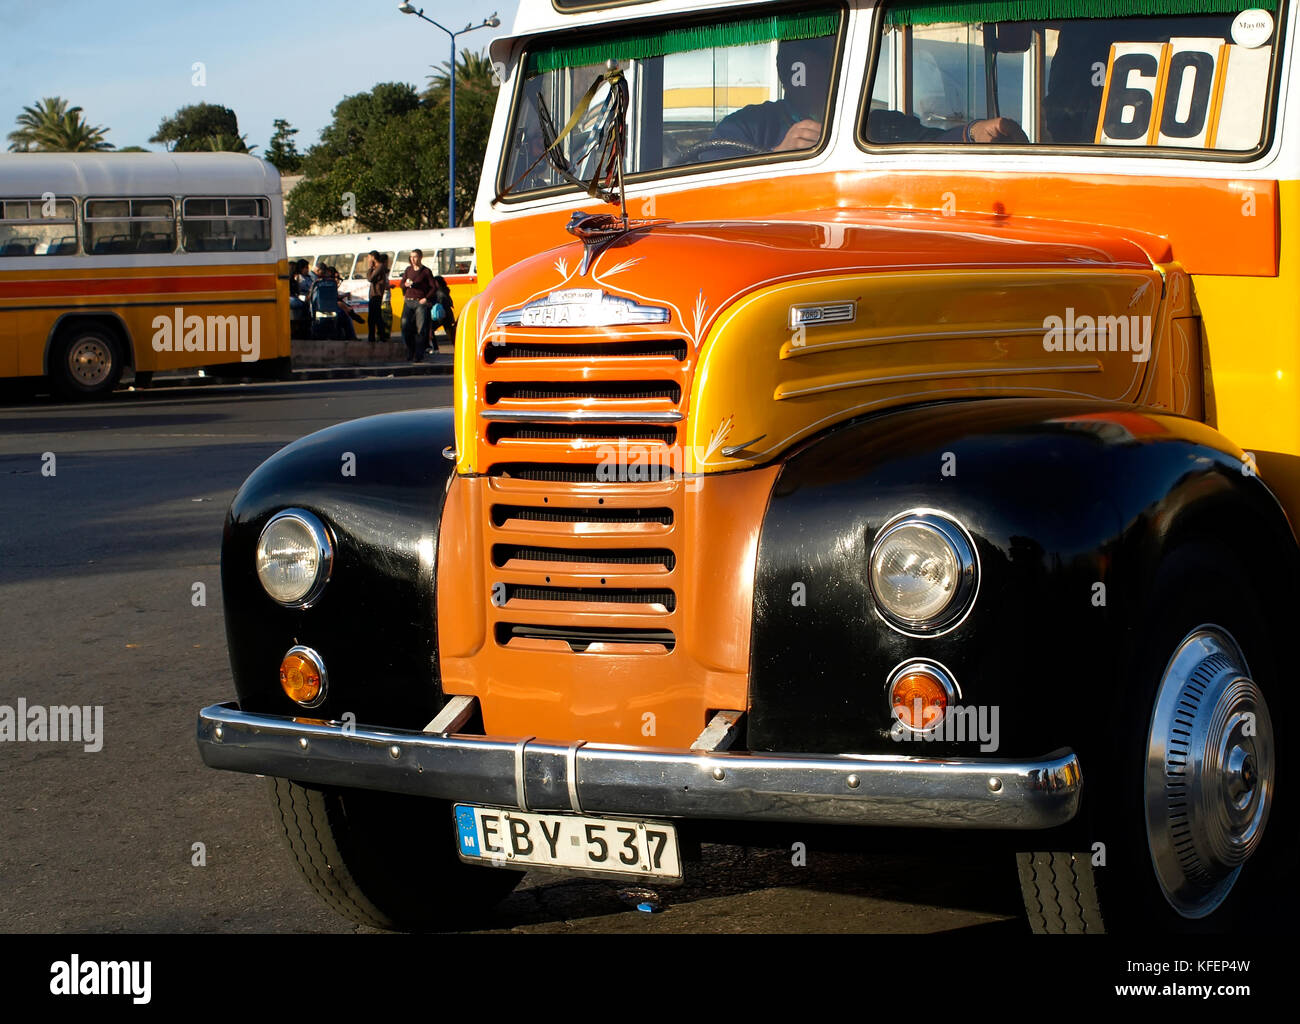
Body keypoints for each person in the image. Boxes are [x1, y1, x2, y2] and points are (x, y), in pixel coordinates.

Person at [703, 35, 1026, 156]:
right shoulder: (747, 126)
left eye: (838, 58)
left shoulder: (878, 125)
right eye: (820, 58)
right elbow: (711, 175)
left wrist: (973, 133)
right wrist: (778, 153)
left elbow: (926, 141)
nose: (830, 70)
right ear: (786, 69)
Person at [399, 248, 437, 361]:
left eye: (415, 257)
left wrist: (426, 298)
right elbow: (401, 284)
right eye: (411, 257)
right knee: (405, 325)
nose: (413, 259)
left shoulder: (426, 271)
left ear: (420, 257)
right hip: (408, 301)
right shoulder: (408, 270)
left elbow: (433, 287)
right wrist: (405, 285)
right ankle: (410, 350)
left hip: (420, 302)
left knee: (421, 329)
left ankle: (418, 354)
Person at [366, 250, 390, 344]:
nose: (368, 260)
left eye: (369, 257)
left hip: (376, 295)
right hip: (374, 295)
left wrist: (370, 268)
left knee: (374, 317)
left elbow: (370, 278)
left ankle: (377, 336)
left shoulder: (379, 267)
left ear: (373, 257)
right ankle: (377, 336)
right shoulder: (377, 267)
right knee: (374, 317)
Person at [429, 272, 455, 351]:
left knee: (430, 329)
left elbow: (439, 304)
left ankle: (435, 348)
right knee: (451, 334)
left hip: (440, 316)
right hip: (447, 315)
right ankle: (457, 348)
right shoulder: (445, 290)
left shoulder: (439, 293)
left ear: (438, 283)